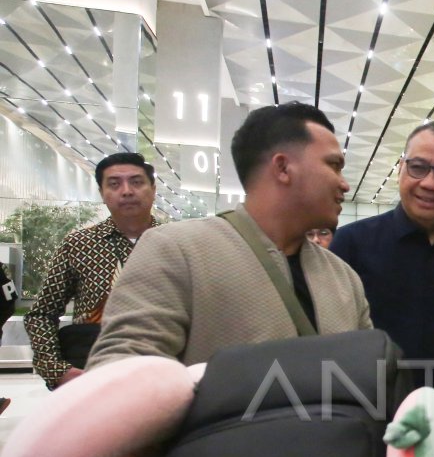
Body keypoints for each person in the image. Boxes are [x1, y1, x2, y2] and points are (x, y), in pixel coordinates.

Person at [88, 103, 369, 369]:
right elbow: (118, 375)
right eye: (334, 165)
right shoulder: (176, 251)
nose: (344, 184)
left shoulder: (343, 279)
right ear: (283, 168)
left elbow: (365, 375)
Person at [330, 121, 434, 411]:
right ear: (400, 168)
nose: (430, 184)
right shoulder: (351, 244)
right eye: (418, 167)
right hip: (373, 419)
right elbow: (332, 346)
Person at [26, 152, 160, 388]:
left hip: (162, 368)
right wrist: (57, 370)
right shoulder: (79, 244)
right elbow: (41, 314)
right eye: (114, 184)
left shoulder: (177, 241)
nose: (127, 191)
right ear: (101, 193)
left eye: (137, 182)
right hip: (92, 369)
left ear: (153, 188)